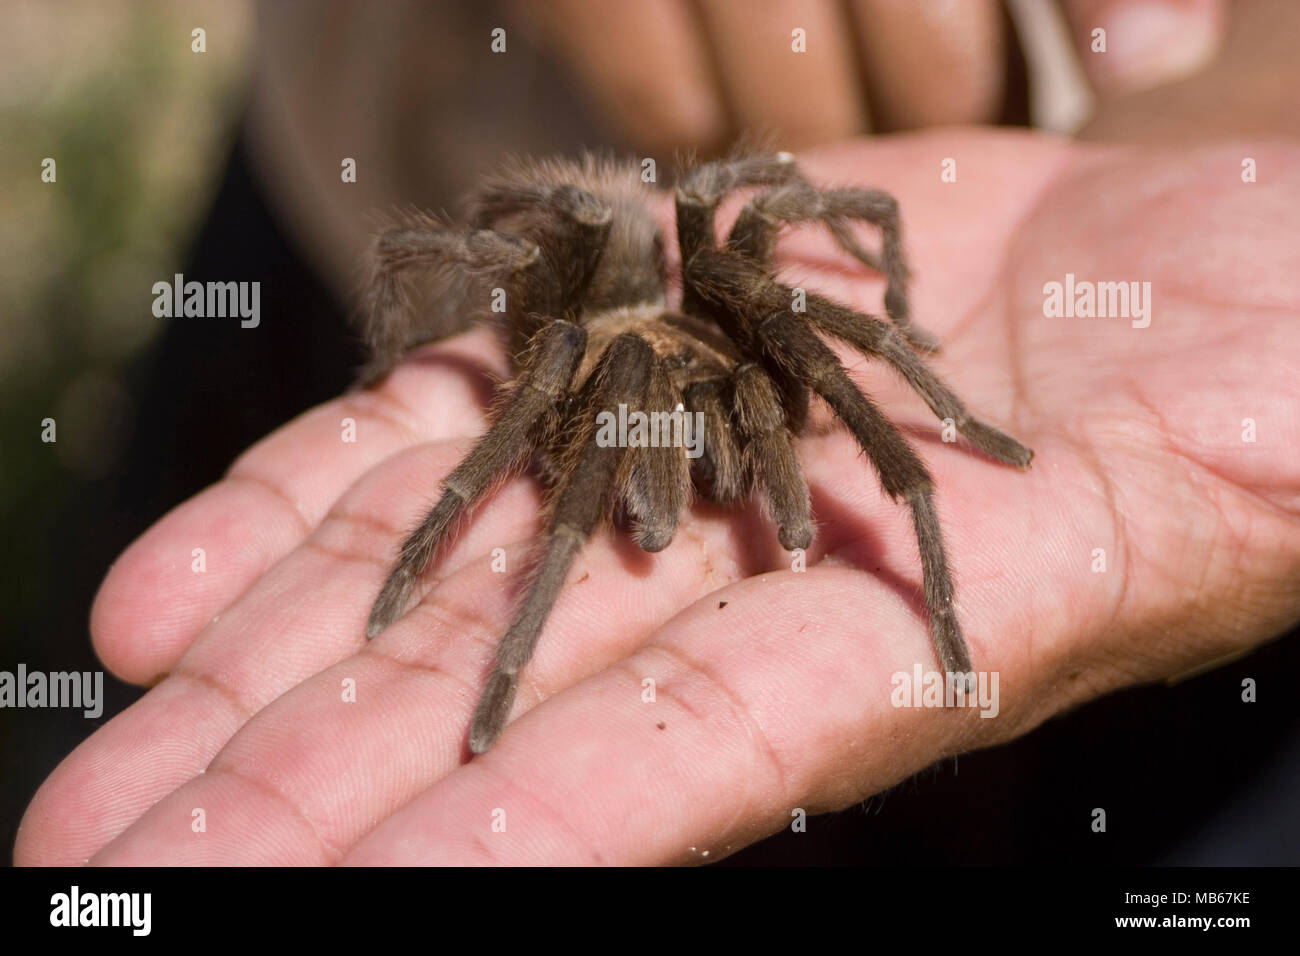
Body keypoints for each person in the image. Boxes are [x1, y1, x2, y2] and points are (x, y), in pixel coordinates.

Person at [16, 0, 1299, 865]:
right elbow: (487, 275)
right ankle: (479, 653)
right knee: (179, 745)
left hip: (1133, 763)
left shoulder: (748, 333)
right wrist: (463, 593)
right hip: (371, 124)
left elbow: (784, 224)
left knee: (761, 270)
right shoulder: (566, 336)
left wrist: (1257, 79)